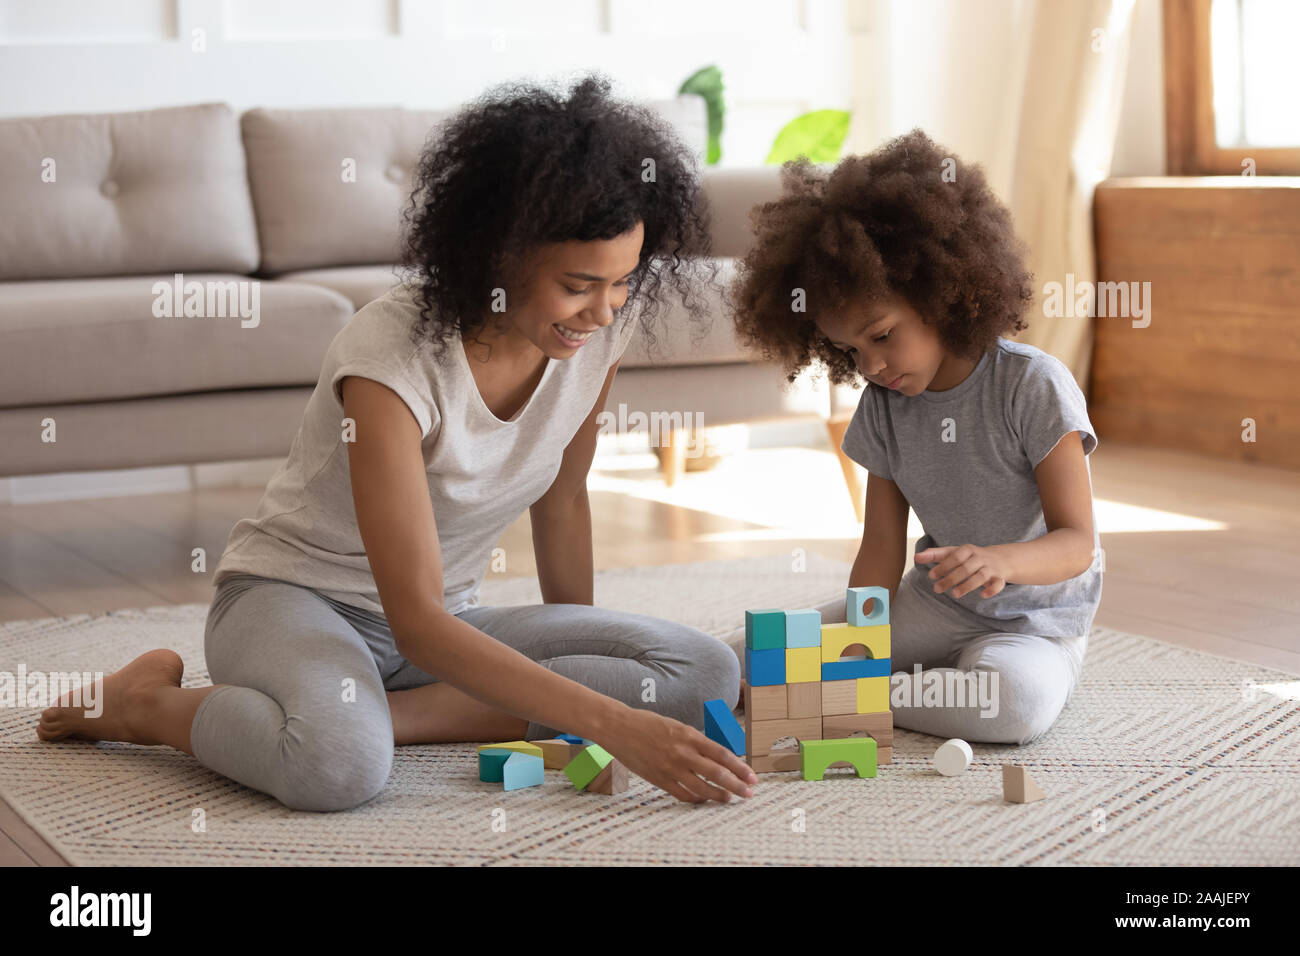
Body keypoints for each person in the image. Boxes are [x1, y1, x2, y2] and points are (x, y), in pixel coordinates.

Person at [38, 74, 756, 810]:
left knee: (699, 671)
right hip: (296, 604)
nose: (603, 311)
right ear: (500, 255)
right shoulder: (392, 357)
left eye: (623, 283)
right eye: (578, 285)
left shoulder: (597, 334)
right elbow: (416, 623)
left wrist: (589, 675)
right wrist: (605, 716)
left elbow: (565, 497)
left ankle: (373, 718)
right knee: (336, 768)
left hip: (448, 625)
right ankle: (145, 707)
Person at [727, 129, 1102, 745]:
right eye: (850, 348)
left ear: (939, 290)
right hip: (933, 607)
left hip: (1034, 620)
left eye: (881, 335)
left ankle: (841, 699)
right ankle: (849, 689)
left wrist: (1000, 561)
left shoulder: (1033, 385)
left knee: (1008, 704)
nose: (870, 366)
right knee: (737, 658)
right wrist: (857, 644)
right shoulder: (884, 407)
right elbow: (879, 548)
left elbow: (1078, 543)